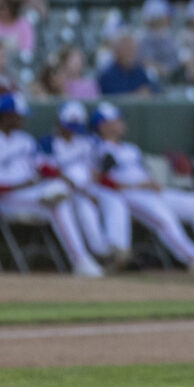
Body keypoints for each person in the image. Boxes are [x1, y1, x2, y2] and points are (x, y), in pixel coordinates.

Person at [0, 94, 105, 276]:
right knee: (56, 201)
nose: (22, 119)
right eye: (18, 115)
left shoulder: (25, 139)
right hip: (6, 198)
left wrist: (69, 182)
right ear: (6, 115)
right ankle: (81, 260)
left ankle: (83, 259)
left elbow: (45, 167)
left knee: (59, 200)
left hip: (32, 193)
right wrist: (15, 187)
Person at [92, 101, 194, 270]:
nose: (121, 123)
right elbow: (100, 181)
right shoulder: (98, 149)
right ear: (103, 126)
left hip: (151, 192)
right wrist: (137, 186)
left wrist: (149, 183)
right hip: (129, 195)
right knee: (164, 217)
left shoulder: (130, 148)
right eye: (116, 120)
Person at [38, 101, 133, 271]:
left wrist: (94, 179)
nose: (72, 130)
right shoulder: (47, 142)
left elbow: (101, 166)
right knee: (80, 198)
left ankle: (110, 249)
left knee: (101, 203)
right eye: (69, 125)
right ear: (58, 122)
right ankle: (97, 252)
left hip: (85, 188)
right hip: (63, 189)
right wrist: (75, 184)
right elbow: (45, 169)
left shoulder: (86, 141)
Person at [135, 0, 180, 80]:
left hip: (173, 78)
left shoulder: (169, 35)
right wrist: (162, 69)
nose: (168, 19)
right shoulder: (143, 38)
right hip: (153, 83)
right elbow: (145, 63)